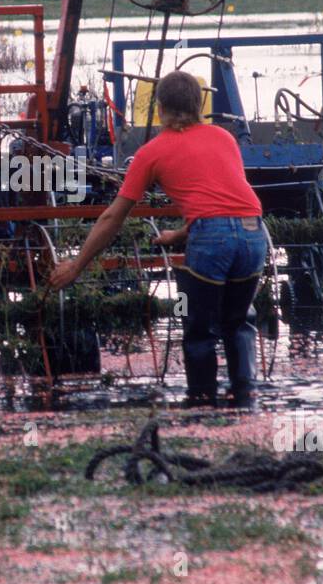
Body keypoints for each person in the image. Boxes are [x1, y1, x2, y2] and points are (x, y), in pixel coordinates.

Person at [49, 71, 268, 408]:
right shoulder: (224, 138)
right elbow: (228, 206)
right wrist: (180, 234)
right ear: (199, 105)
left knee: (200, 330)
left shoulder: (152, 152)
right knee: (238, 322)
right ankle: (247, 401)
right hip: (255, 233)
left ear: (160, 108)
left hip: (212, 239)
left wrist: (77, 265)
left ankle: (200, 406)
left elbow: (112, 217)